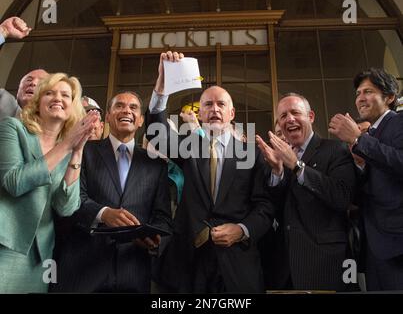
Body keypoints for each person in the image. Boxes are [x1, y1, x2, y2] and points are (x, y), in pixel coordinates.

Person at [146, 51, 275, 293]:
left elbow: (264, 207)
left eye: (221, 104)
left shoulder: (253, 153)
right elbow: (157, 134)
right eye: (208, 104)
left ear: (232, 113)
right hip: (188, 265)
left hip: (238, 265)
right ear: (200, 113)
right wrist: (162, 87)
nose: (214, 109)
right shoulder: (188, 146)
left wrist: (241, 230)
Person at [52, 91, 172, 293]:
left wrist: (154, 239)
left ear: (141, 120)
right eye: (119, 106)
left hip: (132, 272)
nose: (126, 110)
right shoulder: (82, 150)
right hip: (83, 270)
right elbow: (70, 200)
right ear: (107, 116)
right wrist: (103, 213)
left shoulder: (156, 165)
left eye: (133, 107)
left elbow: (163, 217)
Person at [0, 73, 97, 293]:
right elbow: (14, 182)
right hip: (6, 244)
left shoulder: (69, 148)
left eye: (66, 95)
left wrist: (77, 153)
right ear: (38, 102)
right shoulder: (13, 128)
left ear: (72, 107)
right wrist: (66, 146)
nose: (58, 98)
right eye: (50, 93)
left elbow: (66, 207)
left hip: (41, 255)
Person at [256, 92, 356, 291]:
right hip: (283, 268)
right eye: (283, 116)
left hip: (325, 263)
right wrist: (277, 171)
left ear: (310, 117)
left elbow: (342, 197)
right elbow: (274, 208)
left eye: (295, 112)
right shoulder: (276, 157)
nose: (289, 119)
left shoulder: (336, 150)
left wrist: (297, 166)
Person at [329, 68, 403, 291]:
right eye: (358, 93)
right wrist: (359, 164)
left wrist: (359, 140)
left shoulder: (398, 123)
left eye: (368, 91)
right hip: (374, 247)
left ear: (389, 97)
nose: (360, 98)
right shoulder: (370, 136)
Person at [0, 17, 48, 120]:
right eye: (29, 79)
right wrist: (3, 31)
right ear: (18, 89)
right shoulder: (4, 103)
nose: (33, 83)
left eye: (41, 82)